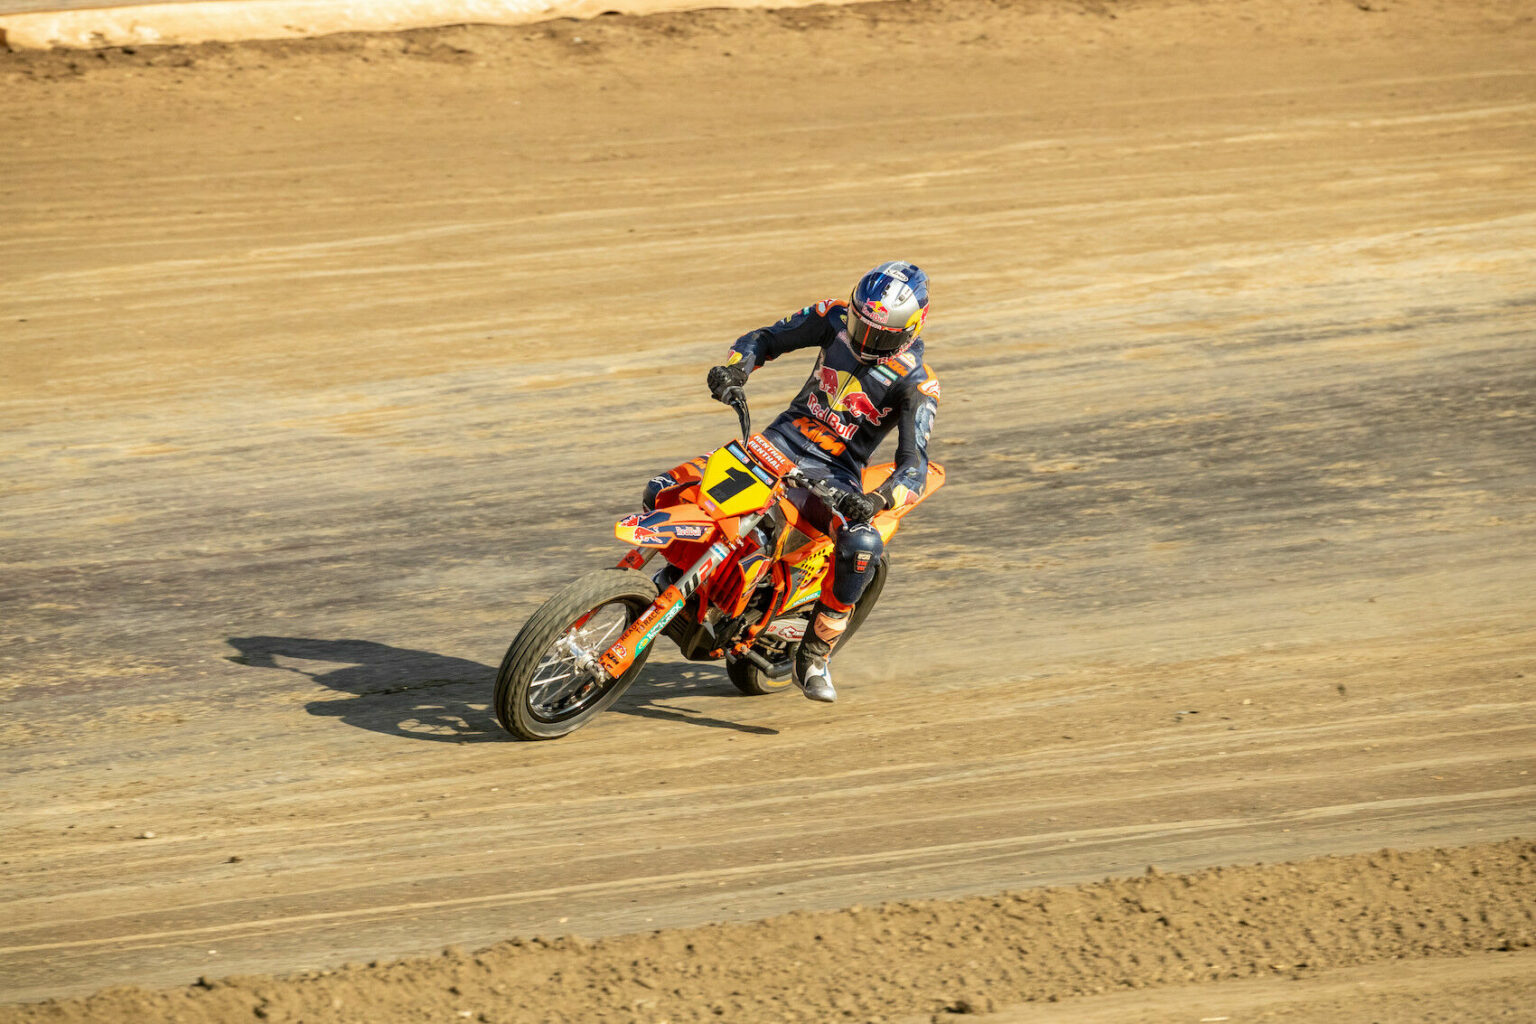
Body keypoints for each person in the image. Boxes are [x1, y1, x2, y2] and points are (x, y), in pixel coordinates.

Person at [642, 261, 941, 703]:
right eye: (860, 323)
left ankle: (816, 654)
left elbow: (914, 467)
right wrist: (736, 369)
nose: (861, 339)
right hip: (773, 443)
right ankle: (682, 582)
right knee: (662, 488)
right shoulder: (834, 317)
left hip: (832, 475)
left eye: (876, 334)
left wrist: (875, 501)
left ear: (909, 329)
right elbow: (763, 338)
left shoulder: (919, 383)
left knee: (863, 545)